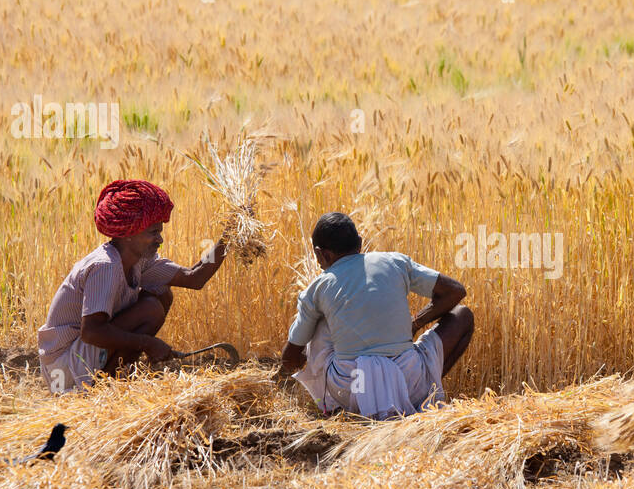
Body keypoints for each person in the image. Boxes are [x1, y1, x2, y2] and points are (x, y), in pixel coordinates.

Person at [276, 212, 474, 420]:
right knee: (463, 314)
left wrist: (289, 371)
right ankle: (421, 396)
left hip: (351, 390)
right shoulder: (395, 261)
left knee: (321, 318)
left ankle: (335, 410)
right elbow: (455, 291)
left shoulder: (318, 287)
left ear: (320, 254)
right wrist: (416, 323)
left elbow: (290, 359)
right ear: (360, 243)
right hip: (408, 381)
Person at [38, 180, 229, 394]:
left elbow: (194, 277)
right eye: (153, 232)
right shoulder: (105, 266)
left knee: (162, 293)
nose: (160, 239)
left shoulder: (139, 260)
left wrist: (229, 236)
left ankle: (114, 380)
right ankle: (103, 390)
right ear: (129, 233)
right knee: (151, 309)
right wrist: (147, 343)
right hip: (63, 369)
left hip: (81, 356)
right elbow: (91, 332)